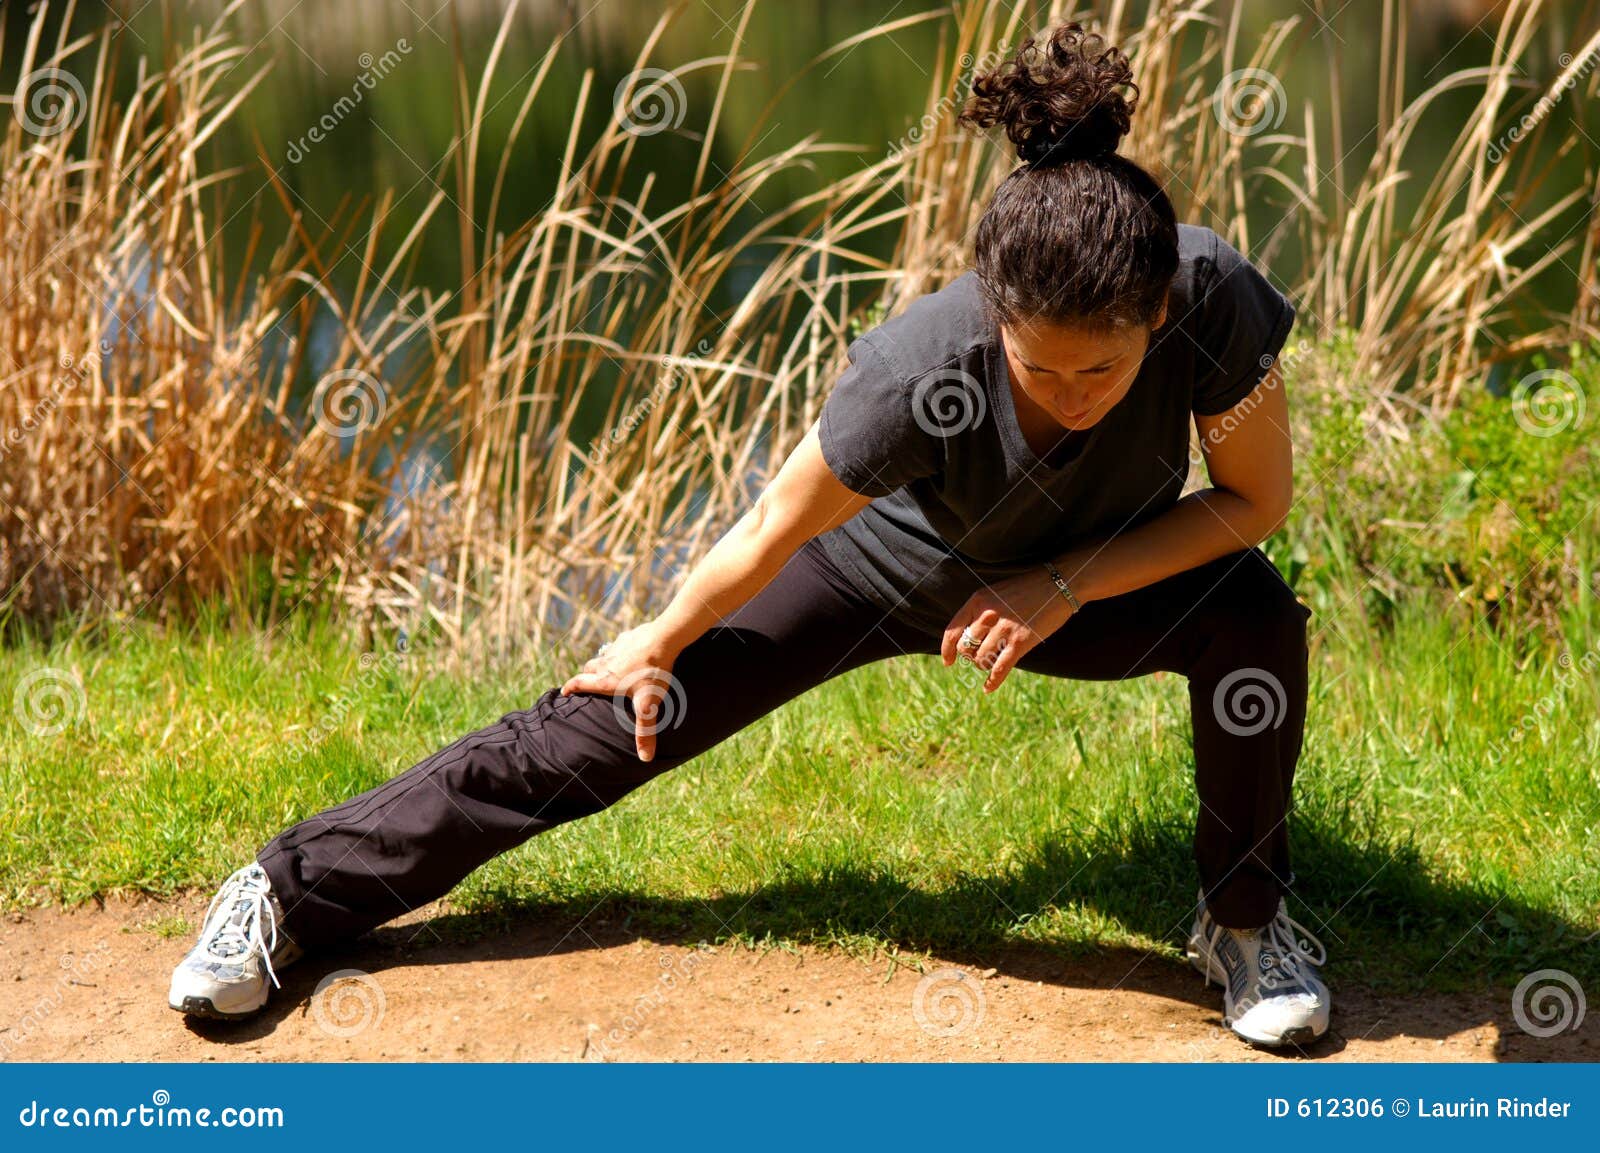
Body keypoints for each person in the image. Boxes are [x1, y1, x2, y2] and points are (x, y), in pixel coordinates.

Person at [169, 22, 1328, 1048]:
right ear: (992, 315)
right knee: (608, 723)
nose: (1074, 393)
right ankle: (285, 893)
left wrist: (1063, 585)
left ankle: (1242, 923)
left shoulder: (1210, 297)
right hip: (890, 573)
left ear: (1161, 313)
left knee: (1256, 625)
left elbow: (1249, 504)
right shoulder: (918, 366)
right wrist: (659, 639)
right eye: (1040, 366)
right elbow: (776, 522)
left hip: (1092, 579)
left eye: (1106, 370)